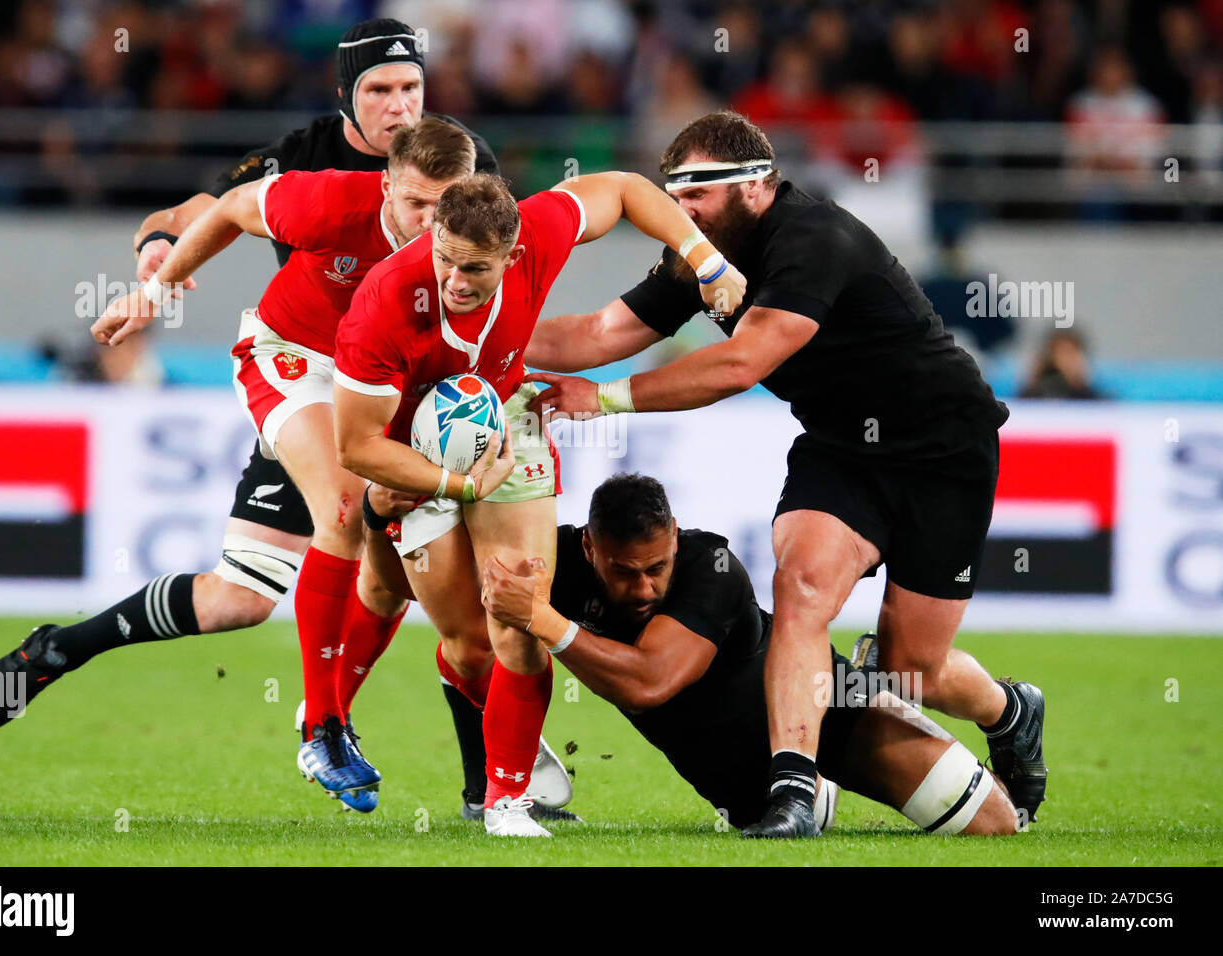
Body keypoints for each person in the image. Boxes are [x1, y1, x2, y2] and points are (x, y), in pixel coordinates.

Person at [0, 18, 520, 820]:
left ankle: (62, 647)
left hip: (390, 383)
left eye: (411, 88)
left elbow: (525, 255)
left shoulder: (466, 171)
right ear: (347, 96)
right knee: (349, 511)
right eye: (379, 90)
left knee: (247, 597)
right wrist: (158, 265)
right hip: (300, 362)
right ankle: (329, 727)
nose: (399, 106)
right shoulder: (318, 177)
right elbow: (221, 205)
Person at [523, 111, 1046, 839]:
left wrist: (604, 399)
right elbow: (600, 332)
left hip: (944, 452)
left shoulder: (814, 238)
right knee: (799, 591)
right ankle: (793, 792)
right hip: (842, 448)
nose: (683, 212)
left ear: (758, 185)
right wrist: (481, 338)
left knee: (911, 667)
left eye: (697, 193)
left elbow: (743, 362)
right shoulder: (701, 255)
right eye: (675, 194)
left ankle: (1008, 709)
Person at [331, 171, 746, 836]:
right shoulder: (383, 302)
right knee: (470, 647)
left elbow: (627, 188)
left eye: (476, 270)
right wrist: (461, 486)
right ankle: (362, 715)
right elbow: (354, 446)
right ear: (432, 234)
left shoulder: (543, 229)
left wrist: (705, 256)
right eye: (445, 260)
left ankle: (507, 801)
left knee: (522, 617)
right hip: (416, 450)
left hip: (507, 423)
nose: (457, 282)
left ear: (514, 257)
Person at [470, 474, 1020, 835]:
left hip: (824, 714)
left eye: (655, 569)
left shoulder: (713, 568)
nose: (642, 589)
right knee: (784, 828)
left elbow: (648, 684)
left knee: (994, 825)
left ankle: (1009, 705)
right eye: (623, 572)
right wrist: (381, 513)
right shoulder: (556, 563)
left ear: (676, 541)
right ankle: (816, 788)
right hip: (739, 783)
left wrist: (542, 620)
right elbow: (459, 620)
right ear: (589, 547)